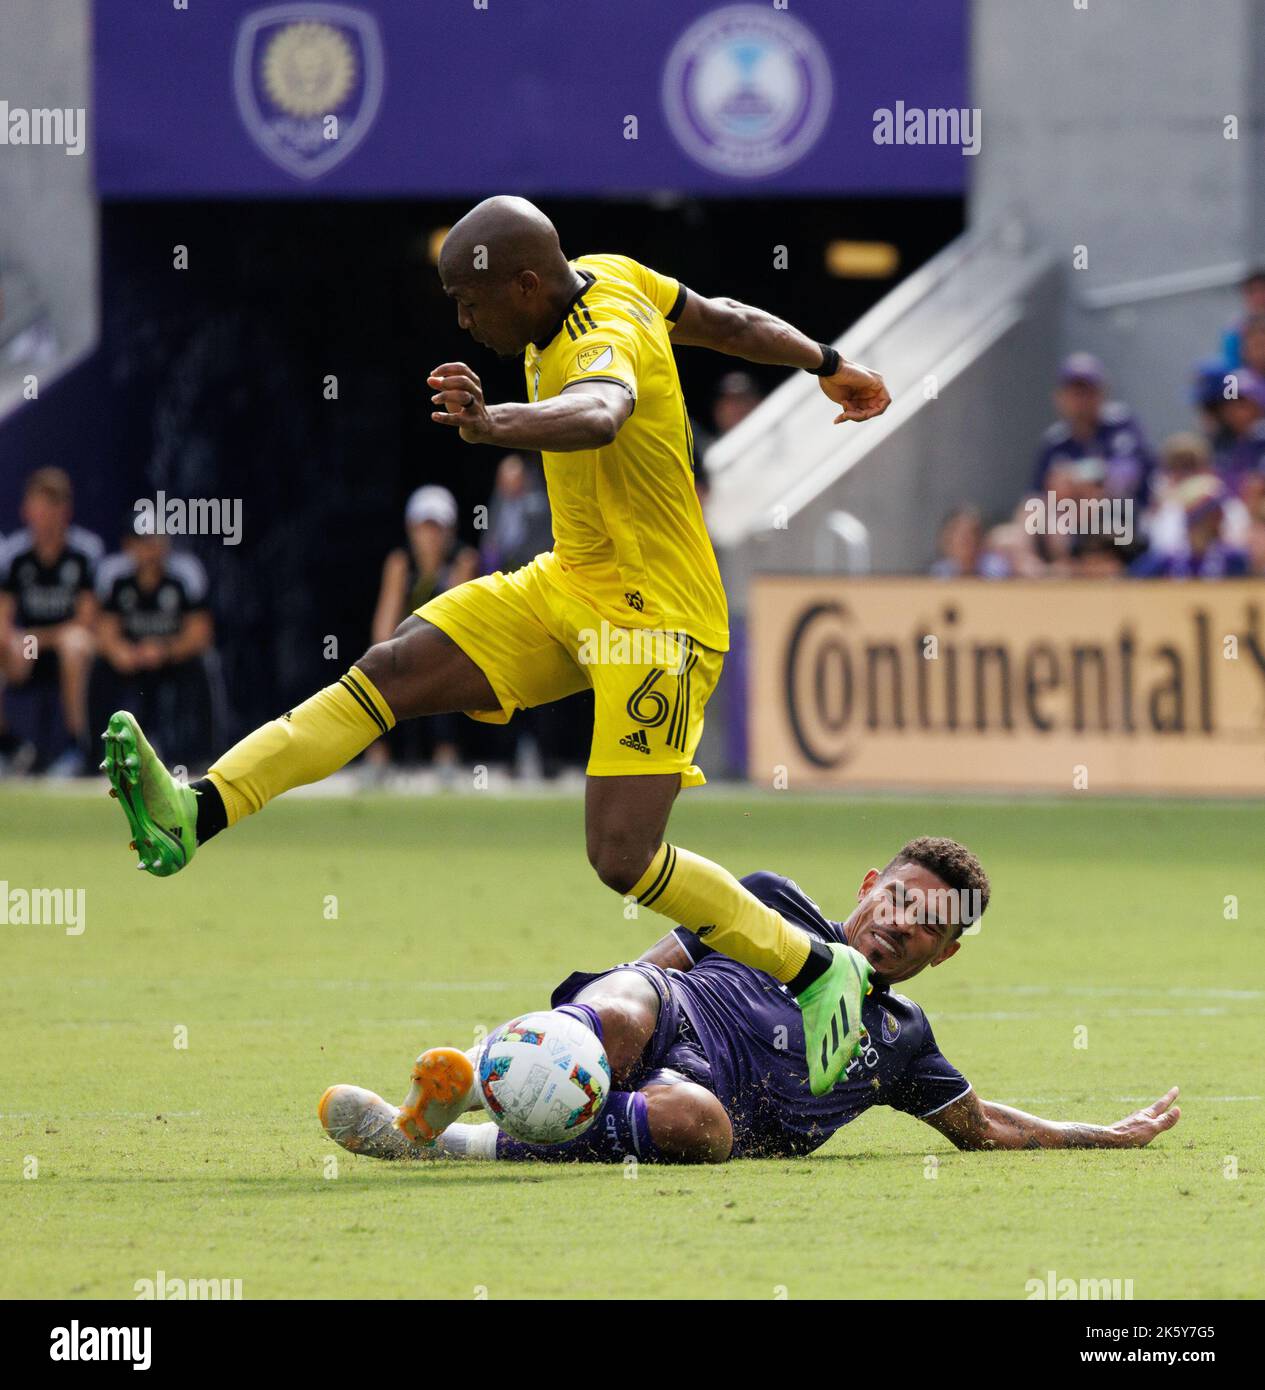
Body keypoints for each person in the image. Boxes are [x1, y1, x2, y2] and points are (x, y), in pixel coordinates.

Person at [100, 195, 892, 1096]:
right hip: (569, 583)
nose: (462, 317)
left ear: (524, 283)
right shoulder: (615, 272)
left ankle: (816, 966)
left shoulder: (600, 340)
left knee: (621, 859)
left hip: (657, 622)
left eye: (469, 301)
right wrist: (826, 362)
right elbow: (724, 319)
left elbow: (599, 413)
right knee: (391, 668)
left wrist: (492, 424)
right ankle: (195, 812)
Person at [317, 837, 1181, 1164]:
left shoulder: (901, 1037)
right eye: (897, 899)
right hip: (667, 1013)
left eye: (926, 928)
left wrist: (1101, 1133)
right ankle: (461, 1080)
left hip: (708, 1102)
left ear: (945, 955)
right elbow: (642, 966)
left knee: (700, 1128)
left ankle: (455, 1144)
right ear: (871, 884)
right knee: (619, 1009)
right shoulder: (770, 901)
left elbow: (984, 1127)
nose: (899, 926)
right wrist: (597, 1019)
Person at [366, 485, 478, 772]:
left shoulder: (463, 561)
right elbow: (383, 625)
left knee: (446, 671)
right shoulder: (399, 562)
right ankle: (378, 757)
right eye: (423, 528)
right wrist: (384, 658)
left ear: (450, 530)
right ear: (410, 528)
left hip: (450, 648)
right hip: (408, 648)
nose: (430, 536)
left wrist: (432, 572)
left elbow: (455, 622)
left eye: (436, 528)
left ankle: (446, 755)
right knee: (376, 667)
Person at [0, 468, 102, 774]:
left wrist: (33, 637)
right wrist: (14, 641)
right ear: (26, 511)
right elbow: (3, 618)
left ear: (65, 512)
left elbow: (85, 622)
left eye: (51, 507)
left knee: (74, 644)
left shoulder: (84, 552)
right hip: (28, 652)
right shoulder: (15, 555)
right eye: (37, 507)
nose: (43, 516)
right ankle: (9, 746)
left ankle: (75, 746)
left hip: (67, 649)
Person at [90, 533, 216, 766]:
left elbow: (201, 633)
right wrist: (119, 650)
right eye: (143, 542)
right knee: (99, 664)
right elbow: (103, 628)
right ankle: (95, 755)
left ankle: (200, 754)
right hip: (130, 658)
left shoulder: (184, 572)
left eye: (156, 541)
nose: (151, 550)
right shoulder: (115, 574)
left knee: (202, 663)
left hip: (172, 658)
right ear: (129, 545)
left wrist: (165, 651)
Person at [1033, 352, 1151, 503]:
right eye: (1075, 393)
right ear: (1059, 398)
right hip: (1067, 519)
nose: (1082, 401)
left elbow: (1127, 475)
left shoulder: (1120, 425)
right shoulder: (1054, 442)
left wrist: (1075, 477)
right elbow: (1035, 495)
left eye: (1088, 392)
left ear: (1103, 393)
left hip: (1123, 517)